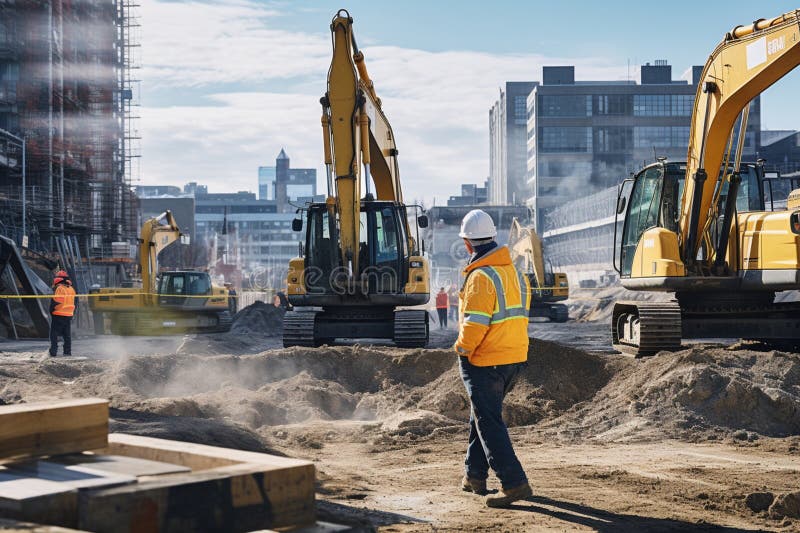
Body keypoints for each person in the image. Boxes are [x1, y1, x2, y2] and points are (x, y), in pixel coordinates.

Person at [454, 209, 532, 508]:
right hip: (513, 358)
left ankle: (514, 483)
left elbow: (475, 324)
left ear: (468, 244)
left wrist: (461, 349)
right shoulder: (513, 272)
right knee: (482, 415)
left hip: (485, 360)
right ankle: (474, 476)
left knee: (488, 422)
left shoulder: (480, 276)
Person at [49, 270, 76, 357]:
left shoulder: (59, 288)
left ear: (58, 279)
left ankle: (53, 351)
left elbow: (56, 301)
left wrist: (51, 311)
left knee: (54, 334)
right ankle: (67, 352)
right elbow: (74, 302)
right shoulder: (71, 289)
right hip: (68, 315)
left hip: (58, 314)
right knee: (67, 335)